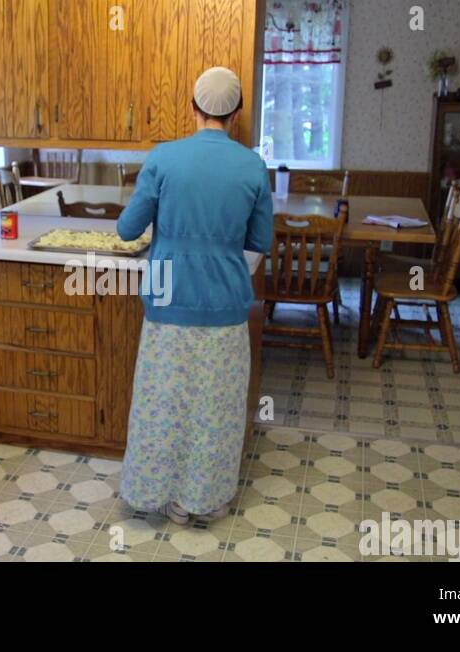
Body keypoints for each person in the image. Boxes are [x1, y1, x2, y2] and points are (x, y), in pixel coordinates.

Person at [116, 67, 273, 524]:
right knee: (215, 409)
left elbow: (128, 230)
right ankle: (198, 503)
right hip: (224, 301)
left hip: (169, 297)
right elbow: (259, 240)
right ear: (237, 113)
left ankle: (151, 496)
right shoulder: (253, 166)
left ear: (193, 107)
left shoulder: (163, 159)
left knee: (161, 403)